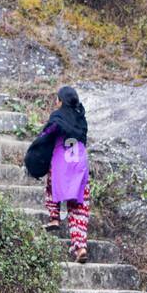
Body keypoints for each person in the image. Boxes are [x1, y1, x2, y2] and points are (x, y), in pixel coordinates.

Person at [24, 85, 90, 261]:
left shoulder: (58, 116)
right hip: (79, 164)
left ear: (60, 101)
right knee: (78, 206)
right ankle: (80, 247)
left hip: (62, 162)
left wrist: (36, 151)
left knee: (52, 189)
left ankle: (54, 218)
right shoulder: (81, 118)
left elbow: (47, 134)